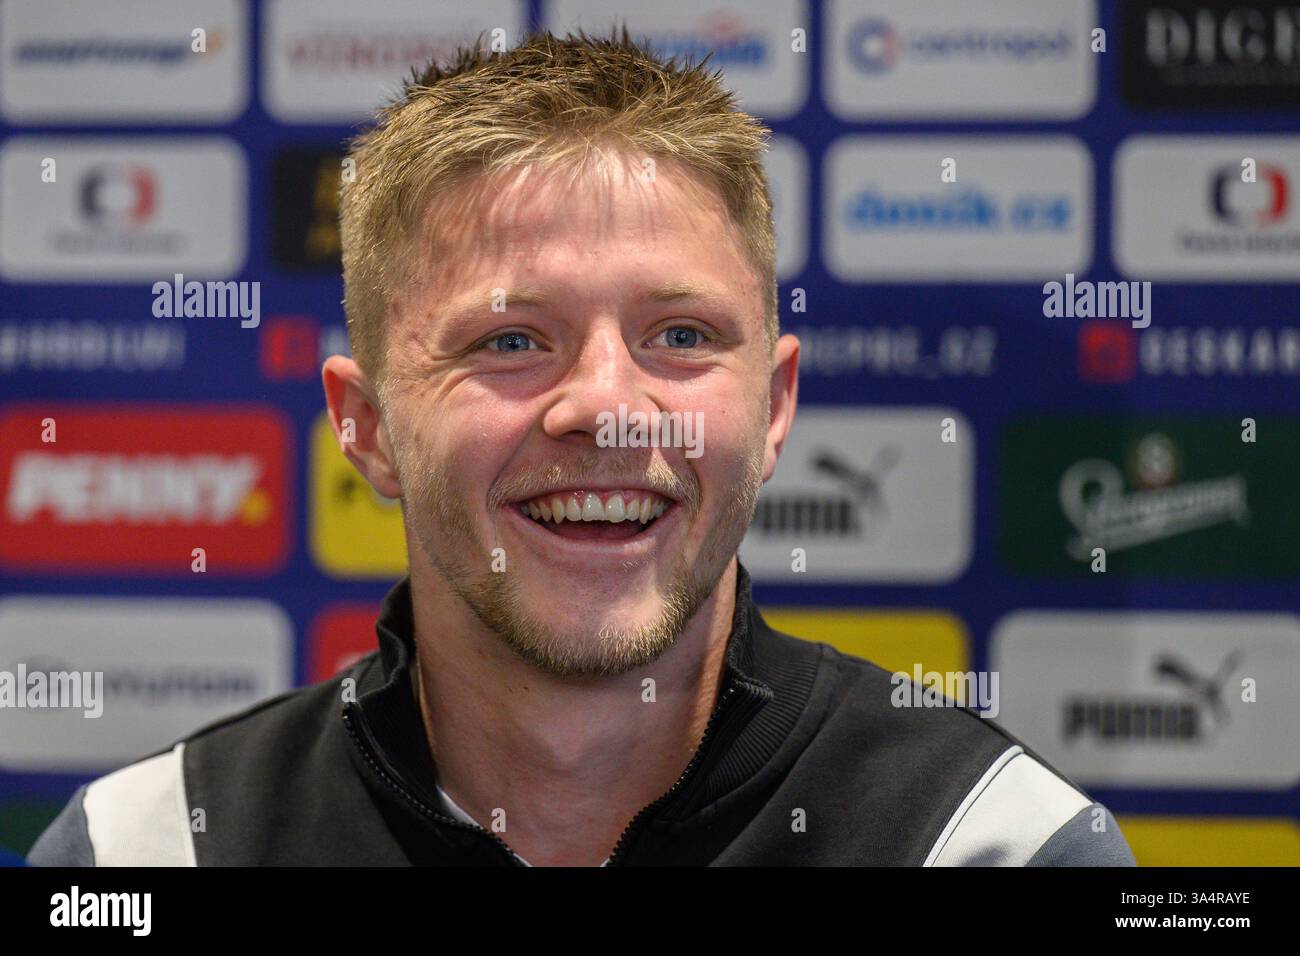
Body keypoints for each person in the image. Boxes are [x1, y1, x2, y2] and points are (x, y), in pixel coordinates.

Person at [28, 28, 1135, 867]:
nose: (608, 408)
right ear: (366, 428)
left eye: (681, 335)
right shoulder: (148, 850)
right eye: (511, 339)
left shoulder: (992, 846)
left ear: (776, 403)